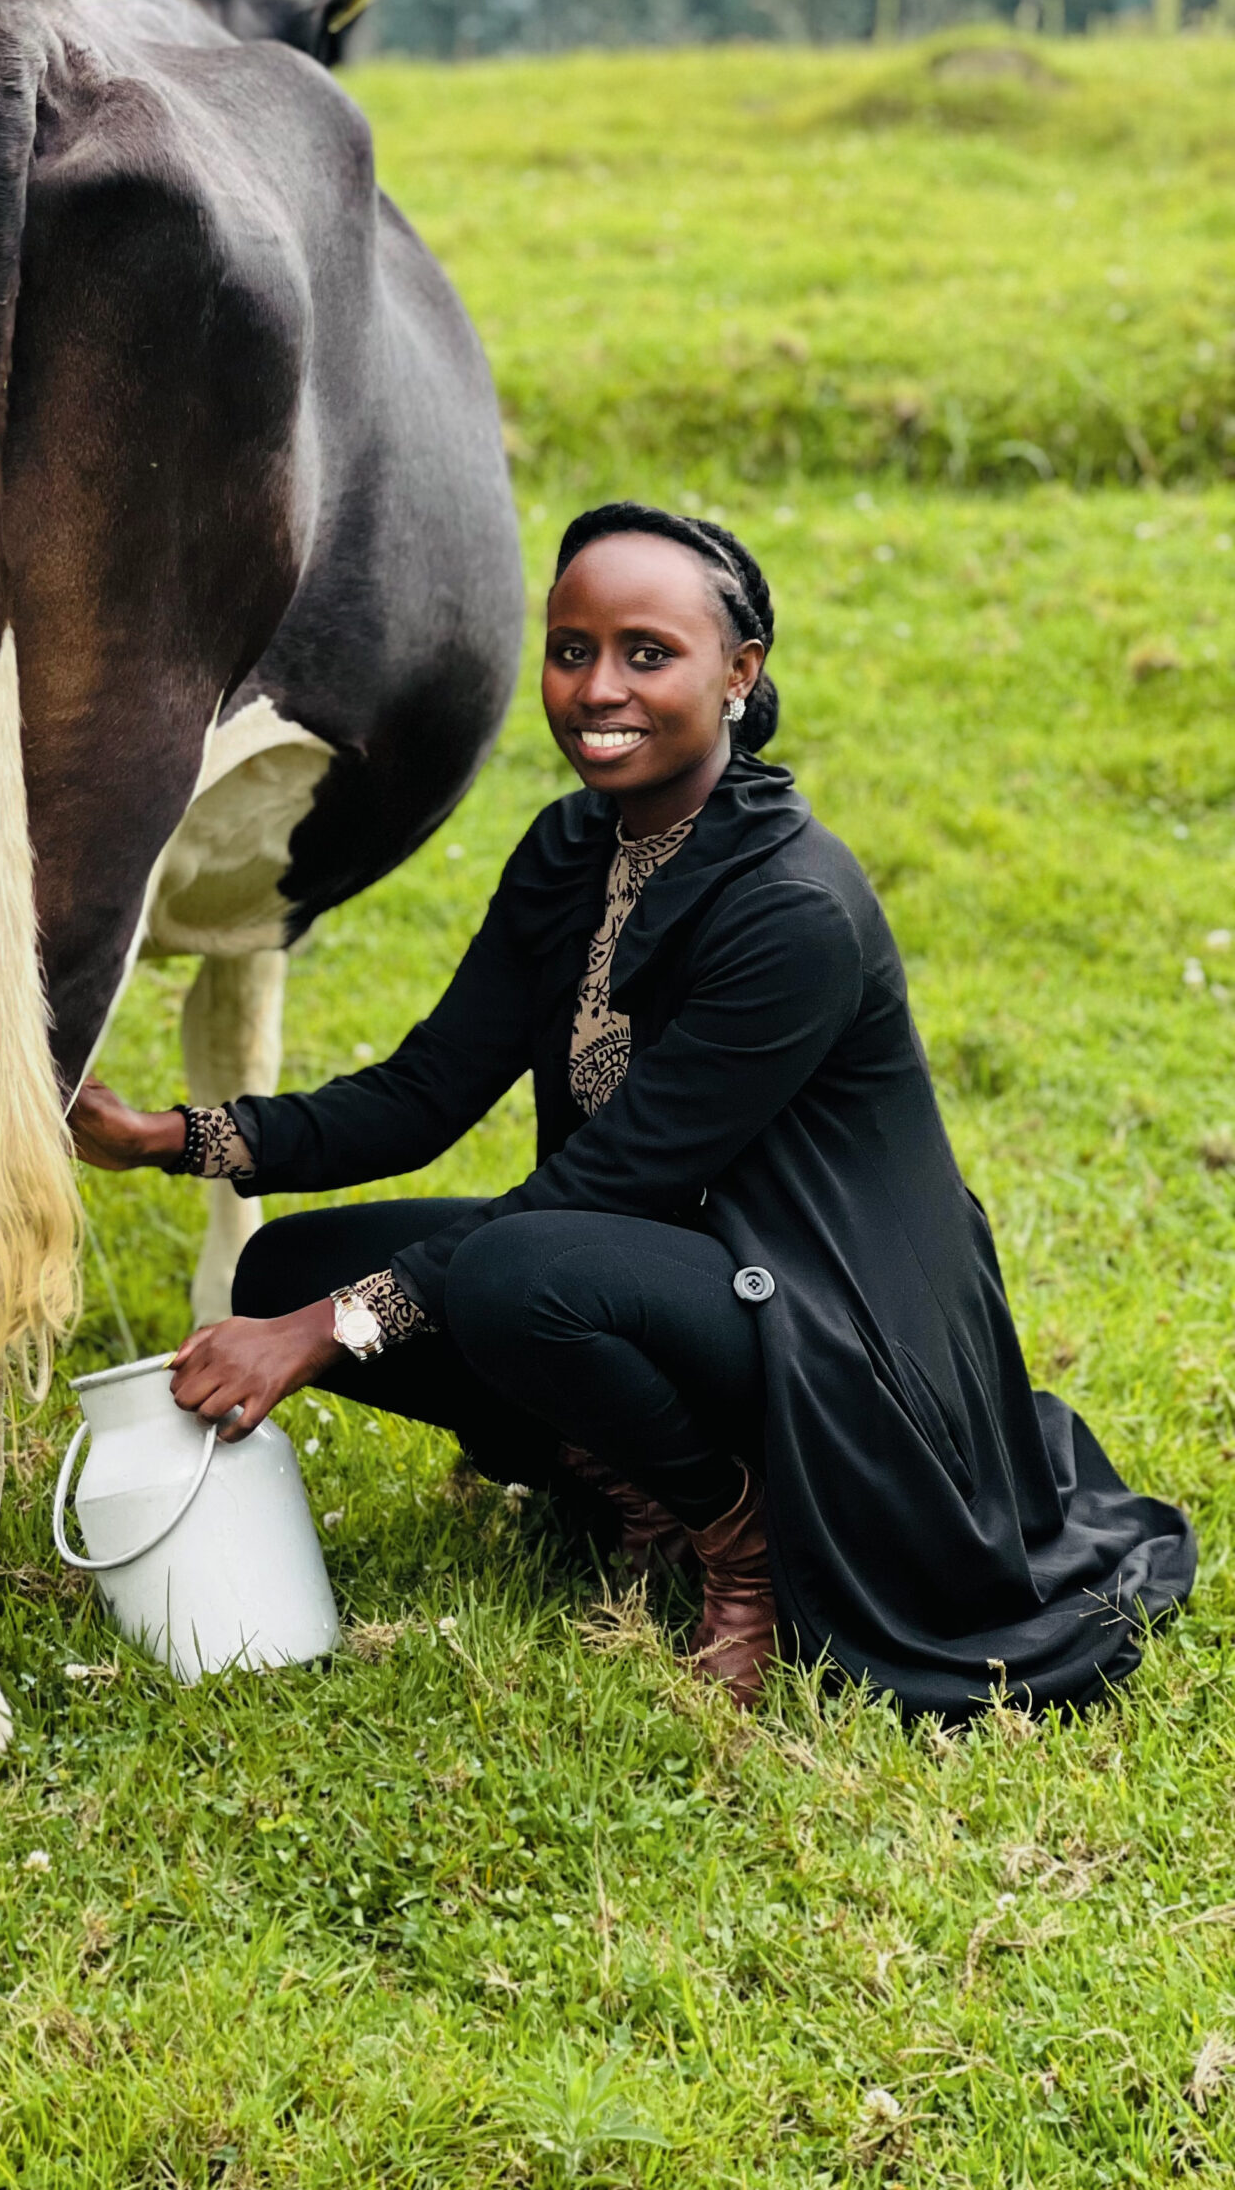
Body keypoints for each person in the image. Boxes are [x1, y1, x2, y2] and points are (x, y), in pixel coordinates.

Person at [72, 503, 1196, 1720]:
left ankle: (740, 1538)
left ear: (739, 673)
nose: (598, 688)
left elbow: (606, 1182)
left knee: (505, 1274)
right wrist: (174, 1138)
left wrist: (327, 1332)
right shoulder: (573, 847)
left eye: (647, 653)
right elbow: (426, 1089)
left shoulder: (794, 909)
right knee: (287, 1263)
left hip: (829, 1313)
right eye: (573, 651)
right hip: (662, 1271)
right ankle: (634, 1481)